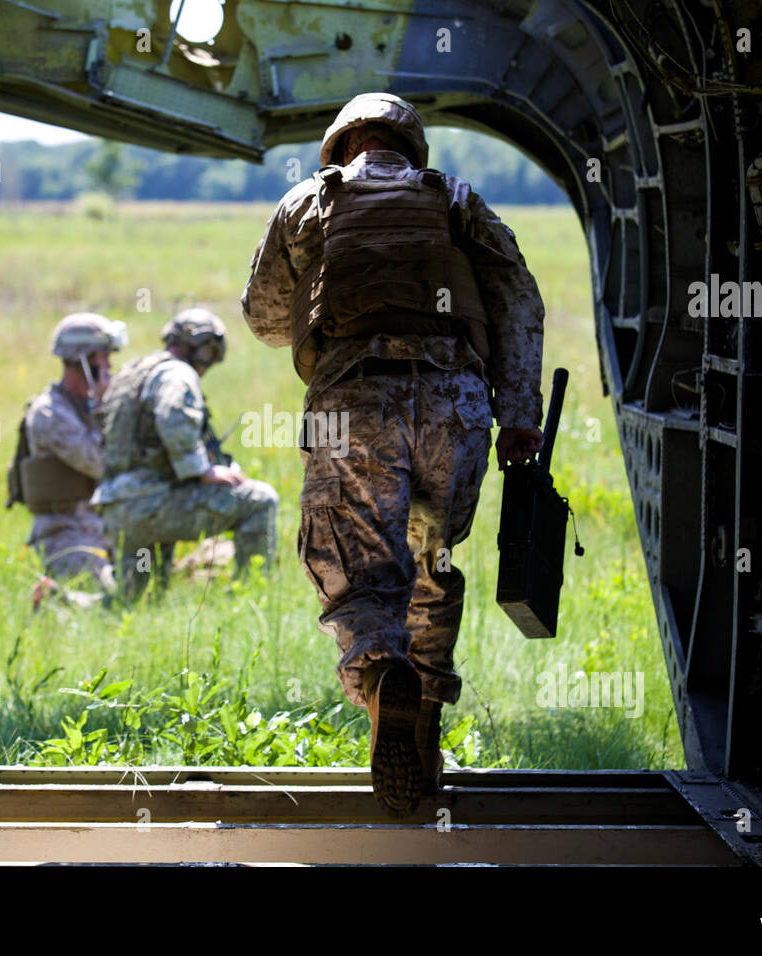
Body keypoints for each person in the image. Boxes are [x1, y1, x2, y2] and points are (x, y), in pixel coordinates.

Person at [240, 92, 546, 815]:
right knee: (430, 562)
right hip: (454, 407)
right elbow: (518, 300)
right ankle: (427, 716)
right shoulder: (457, 199)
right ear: (413, 148)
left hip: (355, 399)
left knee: (352, 569)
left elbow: (265, 318)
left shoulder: (307, 203)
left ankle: (383, 683)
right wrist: (519, 416)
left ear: (340, 146)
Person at [91, 308, 278, 598]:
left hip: (119, 509)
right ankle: (247, 599)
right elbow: (172, 416)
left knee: (133, 601)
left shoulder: (136, 372)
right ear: (204, 348)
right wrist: (202, 470)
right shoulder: (178, 374)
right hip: (154, 507)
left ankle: (60, 602)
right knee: (260, 500)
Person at [8, 311, 126, 598]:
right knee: (114, 599)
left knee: (147, 588)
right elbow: (102, 463)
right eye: (103, 357)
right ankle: (52, 599)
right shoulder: (50, 414)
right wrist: (104, 409)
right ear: (83, 362)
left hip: (102, 532)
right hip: (66, 537)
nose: (110, 366)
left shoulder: (86, 408)